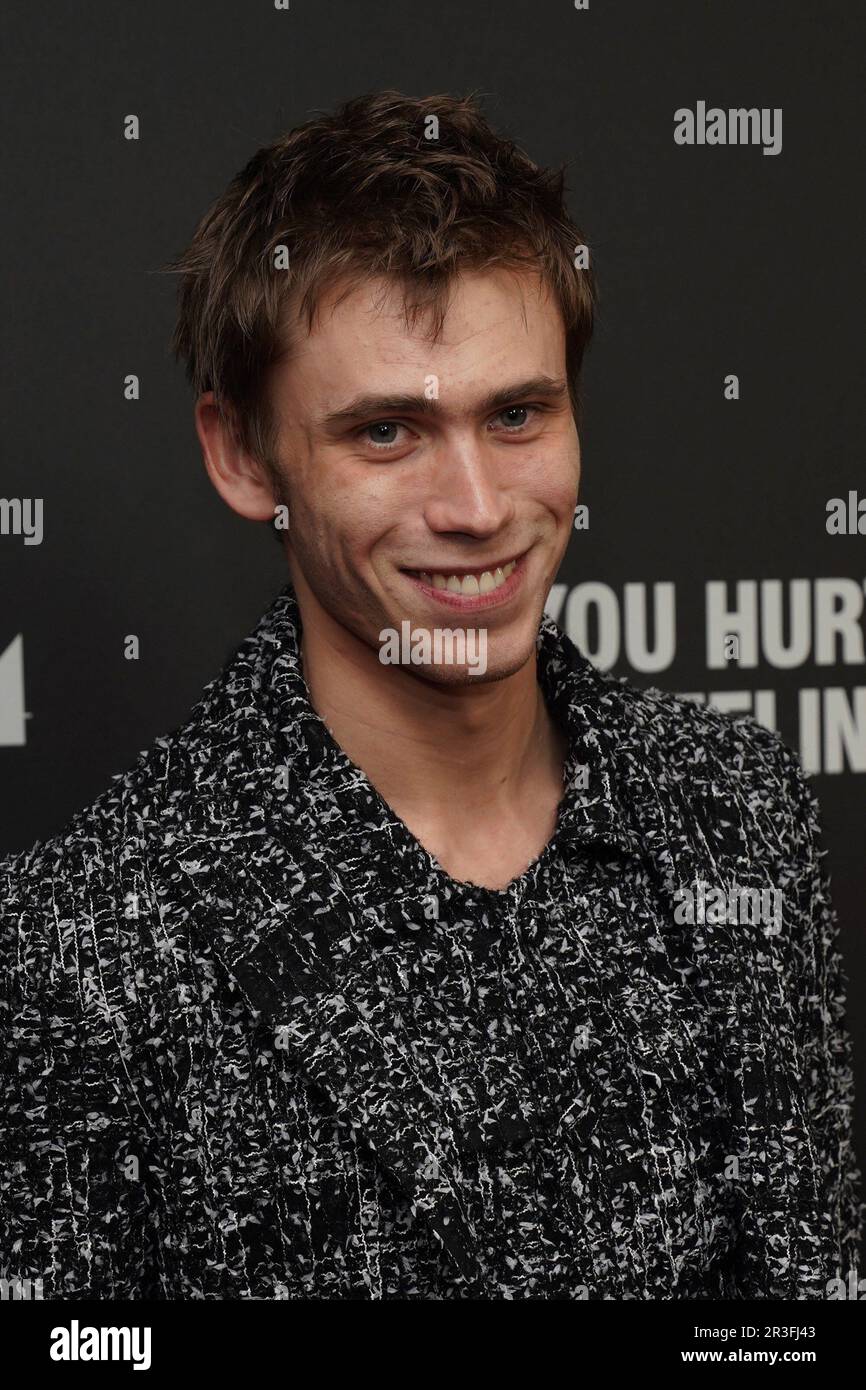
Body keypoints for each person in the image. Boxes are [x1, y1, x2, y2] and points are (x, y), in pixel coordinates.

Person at [1, 89, 862, 1300]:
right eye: (387, 433)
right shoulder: (78, 947)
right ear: (244, 456)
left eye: (516, 414)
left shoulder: (737, 805)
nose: (473, 505)